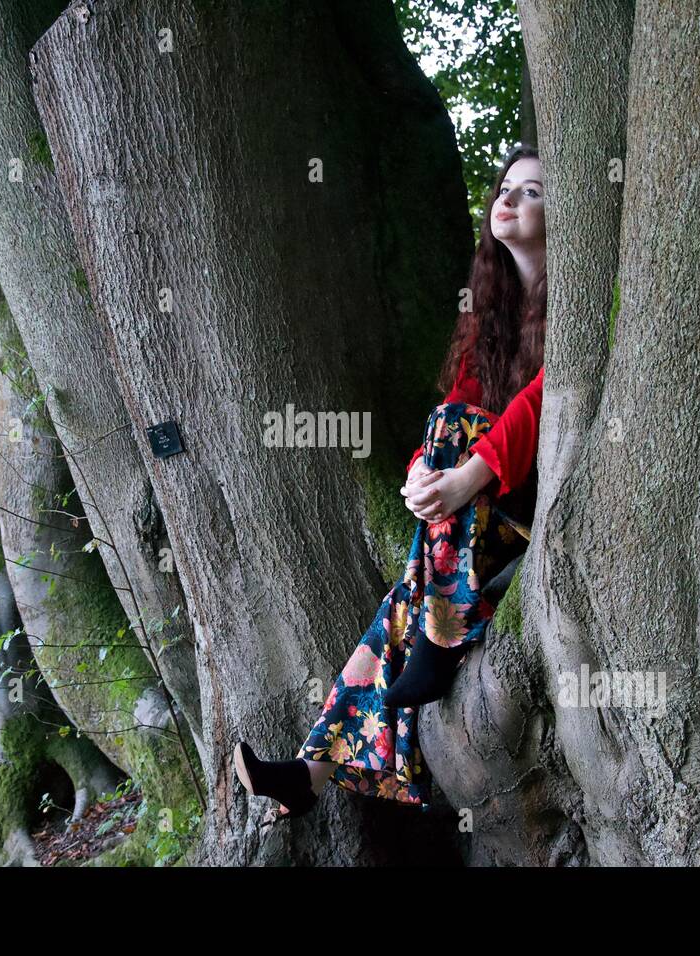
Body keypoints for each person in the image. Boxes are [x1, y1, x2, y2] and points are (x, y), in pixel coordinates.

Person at [233, 144, 547, 823]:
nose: (511, 200)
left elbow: (540, 403)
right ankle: (309, 773)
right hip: (471, 523)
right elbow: (454, 411)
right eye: (507, 188)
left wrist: (469, 474)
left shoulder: (571, 309)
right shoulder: (490, 319)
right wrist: (420, 473)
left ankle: (434, 644)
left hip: (528, 509)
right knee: (408, 593)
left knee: (458, 433)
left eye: (533, 192)